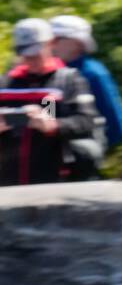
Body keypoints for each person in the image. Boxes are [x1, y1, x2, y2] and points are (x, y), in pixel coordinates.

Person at [0, 18, 97, 185]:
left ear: (51, 43)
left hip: (53, 177)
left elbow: (86, 121)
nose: (30, 60)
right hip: (8, 179)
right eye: (25, 54)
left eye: (36, 53)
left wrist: (52, 125)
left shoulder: (69, 79)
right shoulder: (6, 83)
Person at [50, 14, 122, 148]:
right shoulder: (47, 73)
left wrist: (92, 151)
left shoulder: (93, 73)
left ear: (78, 43)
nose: (49, 44)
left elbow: (116, 125)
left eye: (57, 39)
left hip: (80, 160)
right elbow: (49, 113)